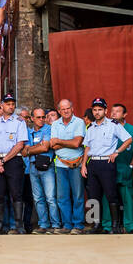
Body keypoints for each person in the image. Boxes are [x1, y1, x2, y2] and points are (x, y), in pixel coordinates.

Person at [79, 98, 131, 234]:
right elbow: (87, 147)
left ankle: (115, 225)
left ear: (105, 111)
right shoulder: (90, 127)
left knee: (111, 194)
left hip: (106, 163)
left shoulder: (113, 125)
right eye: (95, 110)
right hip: (93, 163)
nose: (97, 112)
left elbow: (128, 139)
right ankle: (96, 225)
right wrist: (84, 165)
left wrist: (117, 152)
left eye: (100, 110)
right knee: (93, 196)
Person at [0, 93, 28, 235]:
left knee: (16, 193)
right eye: (8, 104)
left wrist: (3, 161)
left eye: (12, 104)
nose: (11, 106)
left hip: (13, 161)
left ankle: (18, 225)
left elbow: (20, 144)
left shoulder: (19, 122)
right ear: (1, 105)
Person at [49, 98, 86, 233]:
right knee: (62, 197)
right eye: (62, 109)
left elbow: (77, 143)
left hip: (76, 164)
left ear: (72, 108)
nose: (65, 111)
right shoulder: (55, 124)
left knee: (77, 196)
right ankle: (67, 225)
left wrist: (59, 141)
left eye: (68, 108)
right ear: (59, 111)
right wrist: (66, 142)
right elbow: (53, 145)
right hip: (60, 164)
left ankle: (78, 225)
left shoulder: (79, 122)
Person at [109, 103, 133, 233]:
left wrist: (131, 165)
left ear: (125, 114)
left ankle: (130, 226)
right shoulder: (106, 127)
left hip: (124, 168)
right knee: (108, 198)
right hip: (108, 168)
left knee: (127, 198)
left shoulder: (132, 130)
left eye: (117, 111)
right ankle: (109, 226)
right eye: (112, 111)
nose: (113, 113)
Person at [24, 107, 60, 234]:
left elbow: (45, 147)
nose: (41, 119)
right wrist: (34, 148)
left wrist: (30, 150)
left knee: (50, 197)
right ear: (32, 118)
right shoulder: (28, 131)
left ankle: (55, 224)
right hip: (33, 166)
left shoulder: (49, 128)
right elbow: (24, 150)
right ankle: (43, 224)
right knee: (38, 198)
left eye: (43, 117)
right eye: (38, 117)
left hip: (46, 166)